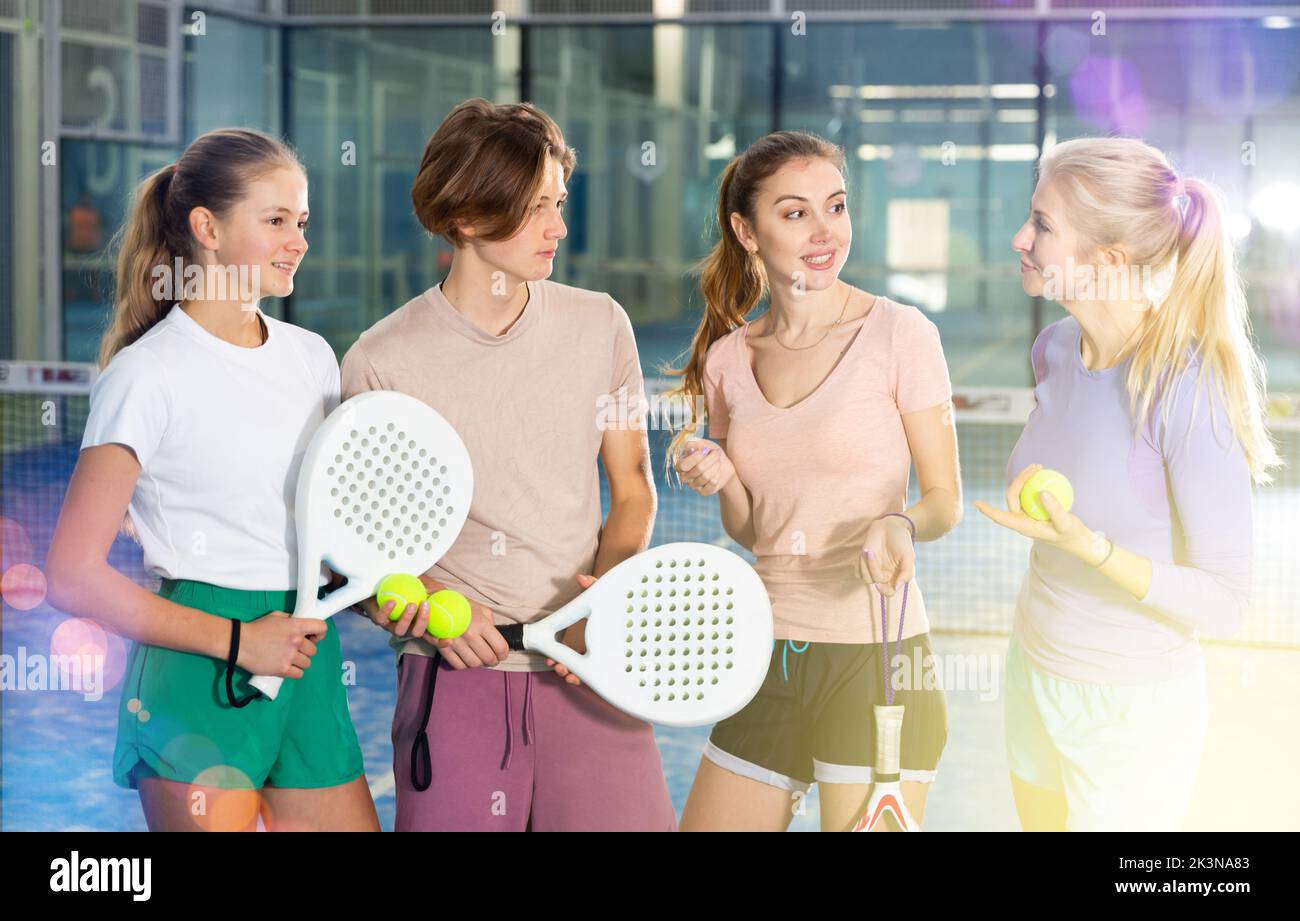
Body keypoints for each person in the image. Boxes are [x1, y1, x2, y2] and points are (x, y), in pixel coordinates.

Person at [345, 99, 674, 831]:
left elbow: (633, 492)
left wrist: (602, 604)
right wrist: (428, 605)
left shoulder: (602, 325)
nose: (559, 228)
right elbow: (366, 556)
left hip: (590, 672)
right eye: (535, 209)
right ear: (465, 216)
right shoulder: (379, 361)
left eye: (559, 204)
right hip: (453, 682)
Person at [46, 128, 378, 831]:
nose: (299, 241)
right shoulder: (146, 374)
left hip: (306, 654)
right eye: (277, 220)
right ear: (207, 227)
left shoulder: (313, 358)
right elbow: (72, 574)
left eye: (303, 222)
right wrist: (238, 641)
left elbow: (321, 522)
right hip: (198, 669)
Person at [977, 136, 1281, 831]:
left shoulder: (1186, 387)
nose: (1022, 238)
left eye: (1044, 226)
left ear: (1108, 261)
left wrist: (1096, 550)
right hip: (1033, 668)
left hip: (1130, 709)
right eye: (1032, 214)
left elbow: (1227, 605)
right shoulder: (1053, 348)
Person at [668, 131, 962, 831]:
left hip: (876, 663)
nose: (824, 231)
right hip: (767, 657)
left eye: (834, 206)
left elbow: (944, 500)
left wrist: (901, 522)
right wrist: (723, 477)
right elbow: (749, 527)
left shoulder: (901, 335)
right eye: (795, 213)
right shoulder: (728, 359)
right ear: (747, 230)